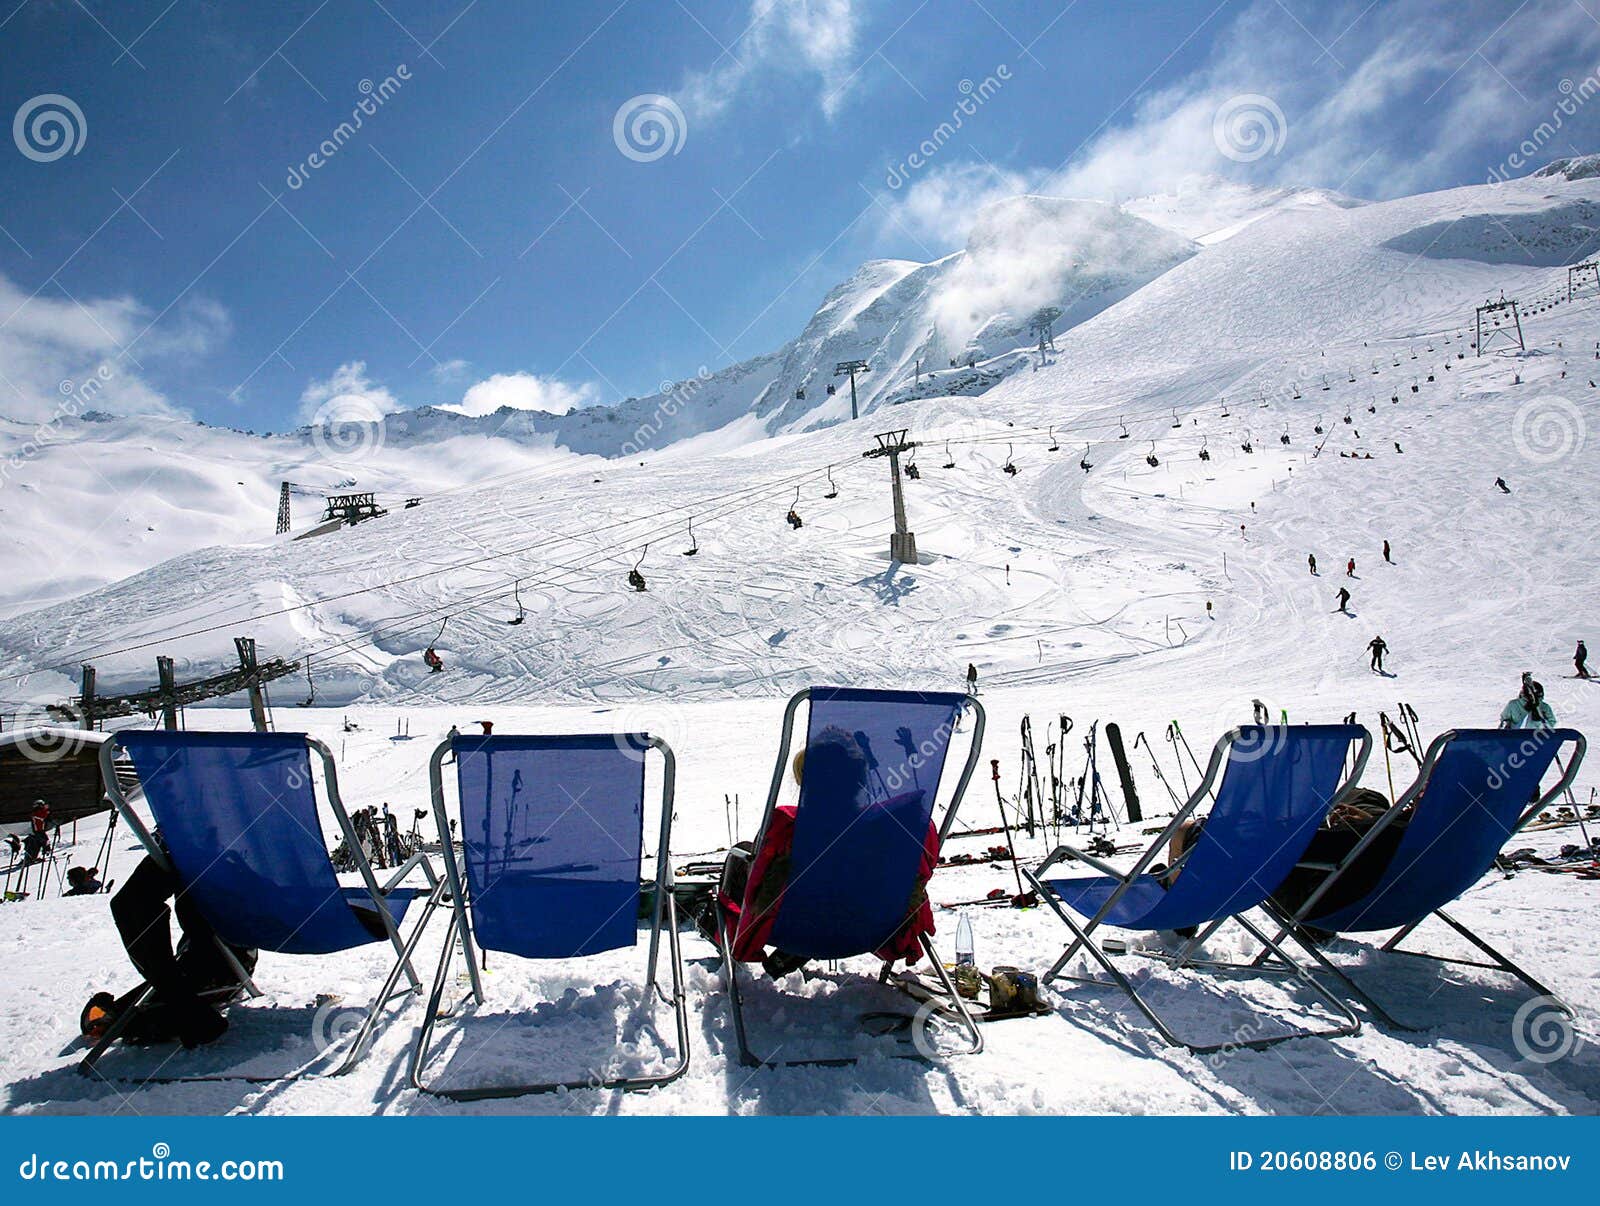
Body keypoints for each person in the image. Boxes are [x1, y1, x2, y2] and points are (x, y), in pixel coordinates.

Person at [99, 845, 259, 1048]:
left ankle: (183, 1006)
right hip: (218, 962)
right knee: (132, 902)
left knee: (129, 903)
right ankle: (182, 1004)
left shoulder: (208, 855)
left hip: (221, 967)